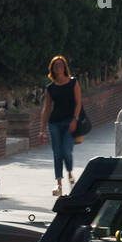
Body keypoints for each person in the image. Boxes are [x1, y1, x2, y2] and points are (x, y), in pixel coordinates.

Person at [40, 55, 80, 197]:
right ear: (52, 69)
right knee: (57, 154)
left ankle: (69, 172)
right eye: (55, 66)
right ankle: (59, 184)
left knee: (67, 152)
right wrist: (42, 130)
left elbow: (78, 103)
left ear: (64, 67)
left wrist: (75, 119)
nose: (58, 68)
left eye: (60, 65)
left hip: (69, 122)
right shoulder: (50, 88)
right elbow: (46, 108)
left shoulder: (73, 83)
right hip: (54, 123)